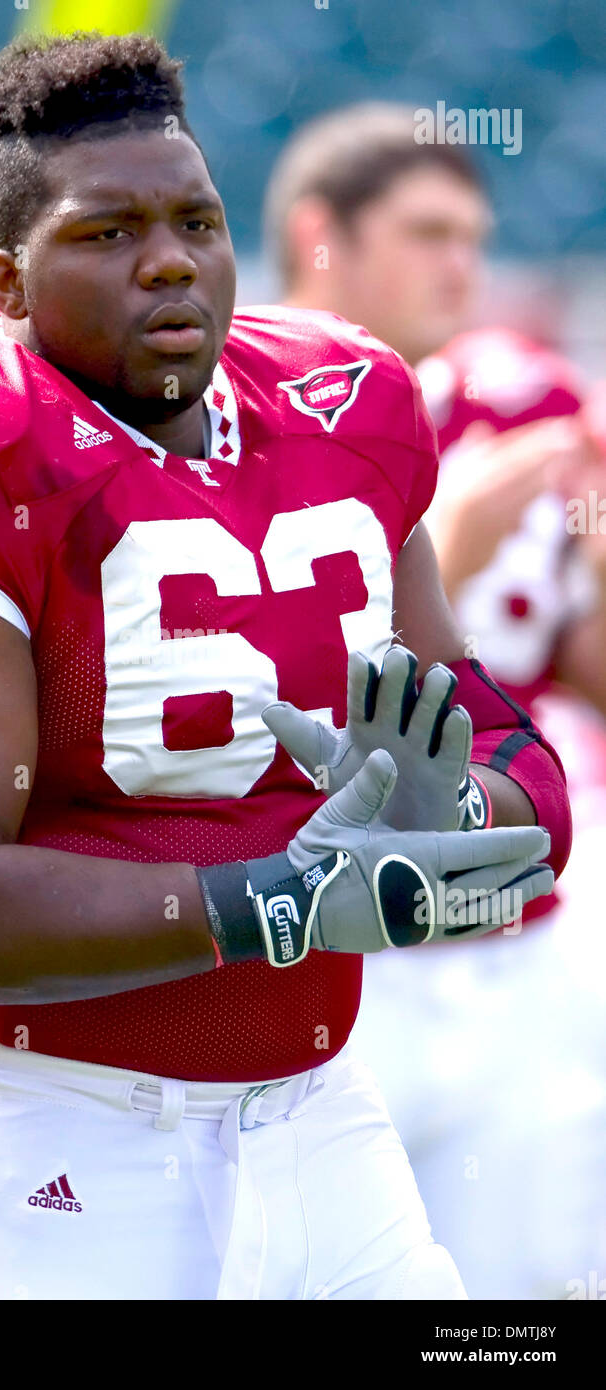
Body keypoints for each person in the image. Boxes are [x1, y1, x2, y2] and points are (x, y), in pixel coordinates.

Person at [0, 35, 565, 1301]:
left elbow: (506, 750)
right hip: (51, 1132)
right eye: (105, 233)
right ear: (7, 281)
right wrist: (277, 901)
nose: (168, 259)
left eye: (196, 219)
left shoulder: (341, 404)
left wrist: (452, 815)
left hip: (316, 1110)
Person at [266, 101, 605, 1298]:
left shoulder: (517, 404)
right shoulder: (241, 414)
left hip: (514, 933)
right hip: (325, 939)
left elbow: (578, 662)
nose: (459, 265)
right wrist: (440, 563)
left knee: (525, 1294)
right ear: (323, 236)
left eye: (471, 235)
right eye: (425, 232)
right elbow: (258, 698)